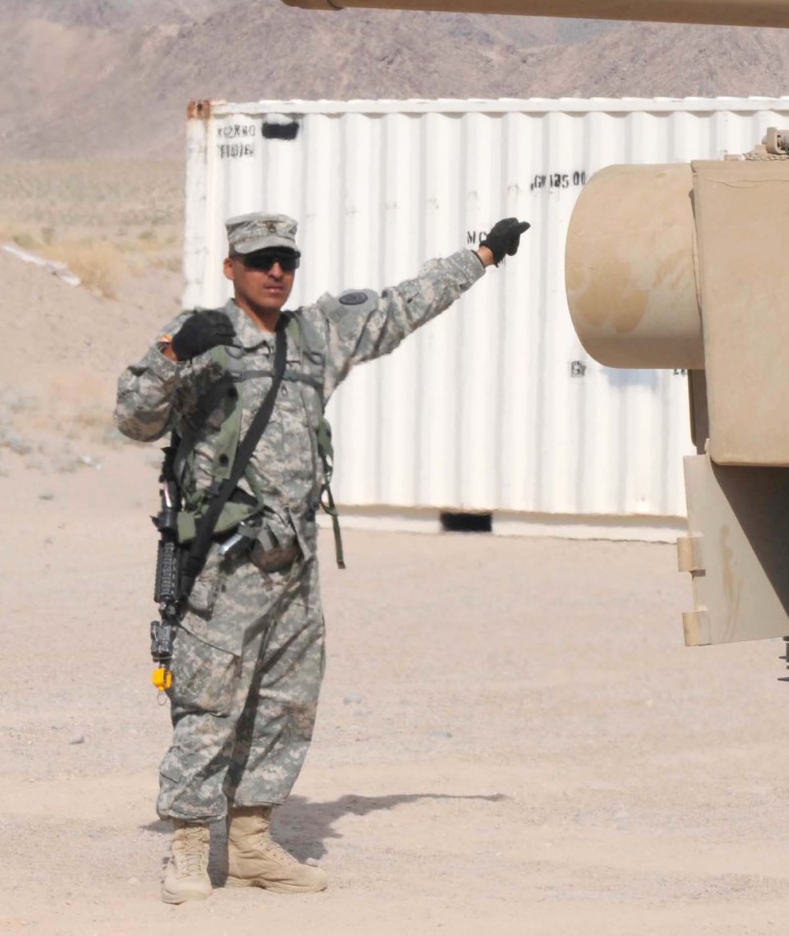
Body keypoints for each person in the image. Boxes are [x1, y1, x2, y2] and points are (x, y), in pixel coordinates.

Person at [115, 211, 530, 904]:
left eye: (285, 259)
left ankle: (250, 844)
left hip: (294, 567)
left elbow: (401, 306)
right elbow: (133, 417)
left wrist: (482, 255)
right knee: (207, 704)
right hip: (222, 566)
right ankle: (189, 845)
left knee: (286, 704)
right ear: (231, 269)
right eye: (259, 260)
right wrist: (169, 354)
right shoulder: (202, 337)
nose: (275, 271)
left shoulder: (316, 334)